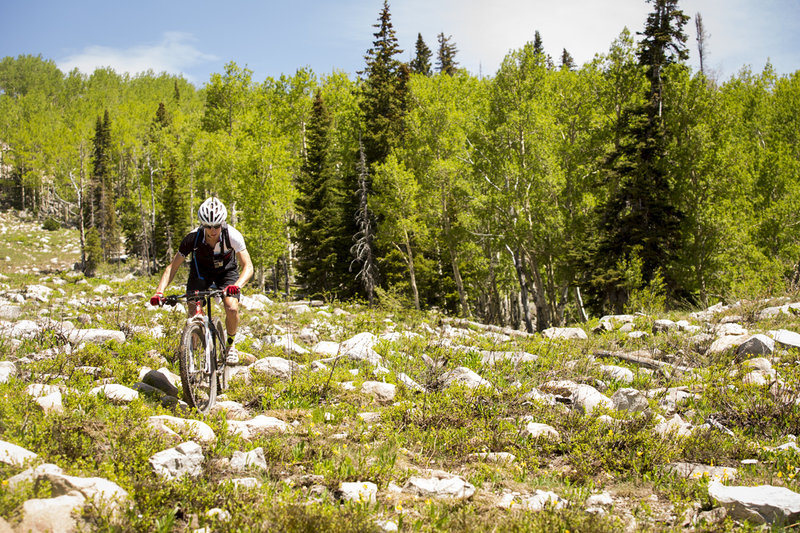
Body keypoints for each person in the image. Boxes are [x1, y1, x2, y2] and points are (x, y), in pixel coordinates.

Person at [150, 197, 253, 363]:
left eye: (217, 226)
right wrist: (159, 292)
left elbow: (248, 266)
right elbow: (172, 268)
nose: (213, 231)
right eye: (208, 226)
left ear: (223, 223)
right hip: (201, 273)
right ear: (202, 225)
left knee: (231, 307)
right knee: (193, 310)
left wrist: (237, 285)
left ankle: (230, 346)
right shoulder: (192, 239)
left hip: (226, 273)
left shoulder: (232, 235)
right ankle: (193, 355)